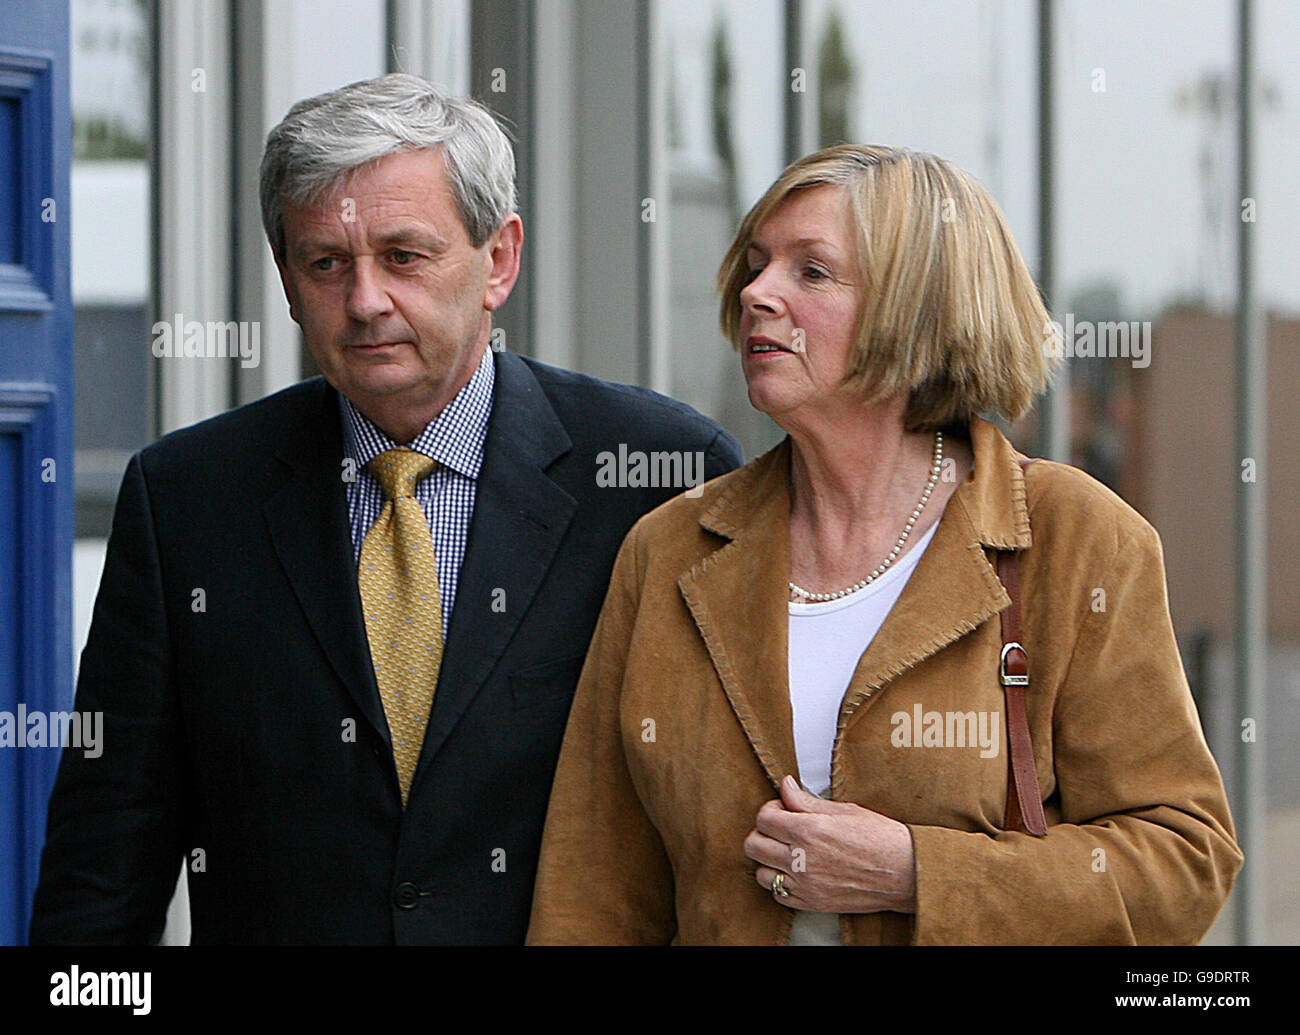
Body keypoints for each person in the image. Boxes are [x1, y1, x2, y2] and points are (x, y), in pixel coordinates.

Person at [29, 74, 741, 945]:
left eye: (404, 256)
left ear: (499, 261)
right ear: (288, 285)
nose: (365, 302)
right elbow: (101, 871)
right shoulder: (185, 501)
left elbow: (717, 833)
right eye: (327, 263)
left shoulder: (655, 476)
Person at [526, 144, 1242, 945]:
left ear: (919, 309)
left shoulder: (1075, 538)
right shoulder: (669, 549)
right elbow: (590, 893)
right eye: (757, 265)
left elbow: (1184, 860)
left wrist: (916, 872)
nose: (758, 294)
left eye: (813, 273)